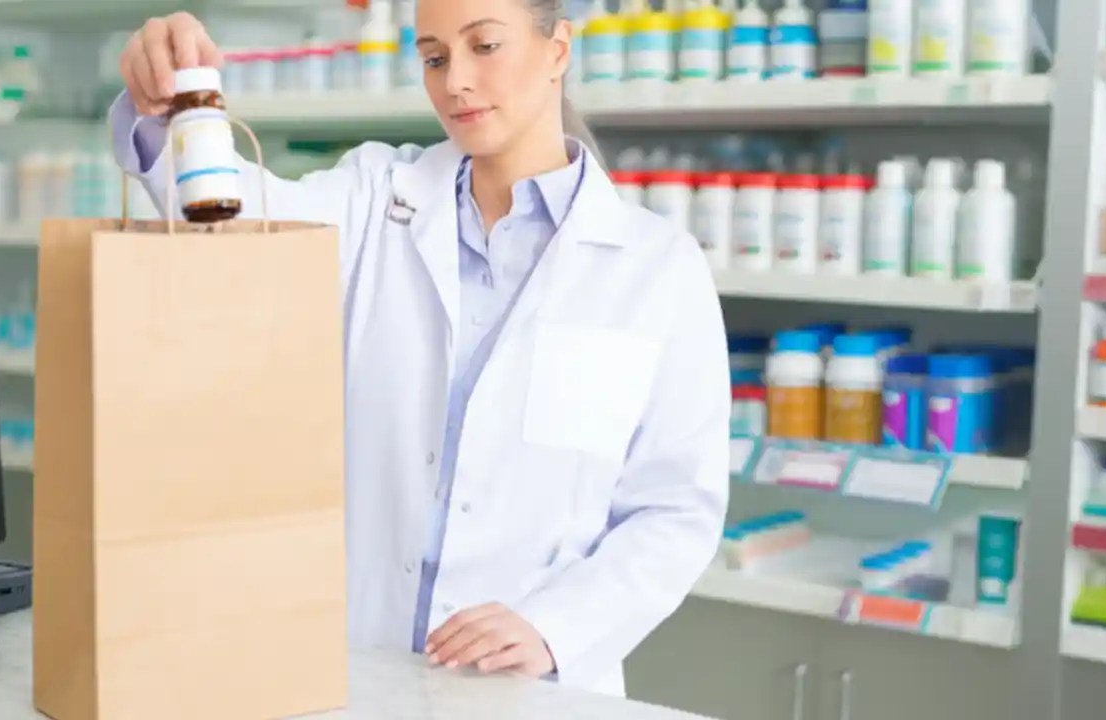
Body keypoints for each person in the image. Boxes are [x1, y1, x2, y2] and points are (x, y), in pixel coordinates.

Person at [111, 0, 729, 697]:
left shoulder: (656, 268)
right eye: (434, 57)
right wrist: (169, 110)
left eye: (484, 46)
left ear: (558, 49)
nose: (455, 81)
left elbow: (676, 510)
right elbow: (232, 212)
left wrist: (554, 627)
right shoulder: (376, 201)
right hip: (358, 666)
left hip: (532, 689)